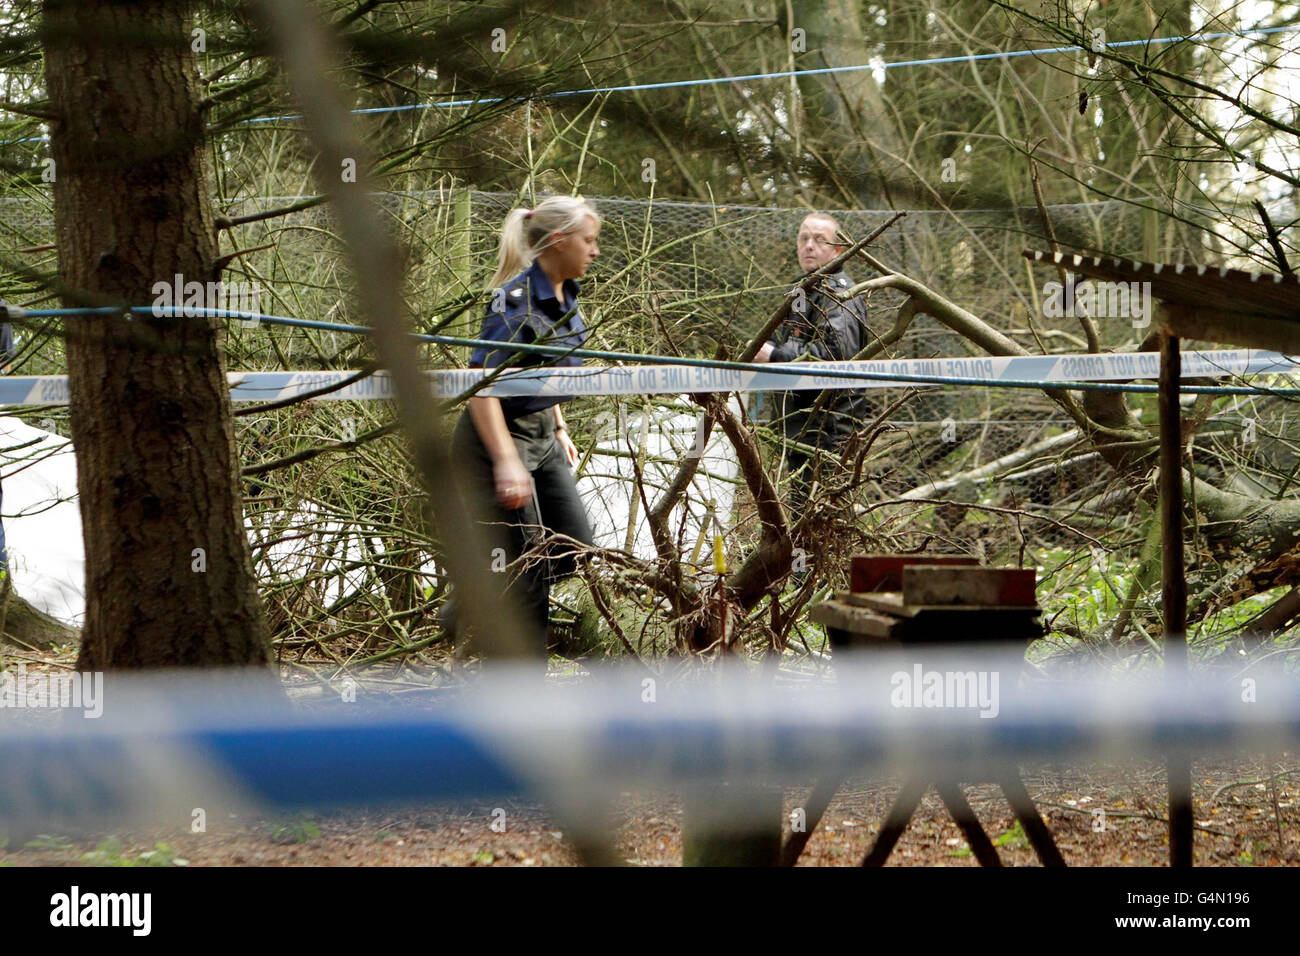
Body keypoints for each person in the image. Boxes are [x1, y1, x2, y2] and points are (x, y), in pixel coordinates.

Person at [442, 196, 601, 660]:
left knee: (574, 546)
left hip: (541, 435)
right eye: (588, 241)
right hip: (497, 439)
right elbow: (482, 386)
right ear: (557, 241)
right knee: (527, 570)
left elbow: (542, 370)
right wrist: (507, 462)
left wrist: (560, 426)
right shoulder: (511, 304)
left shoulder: (566, 293)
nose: (595, 251)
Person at [753, 213, 878, 518]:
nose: (809, 246)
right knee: (802, 523)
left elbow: (834, 358)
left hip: (826, 434)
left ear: (838, 250)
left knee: (820, 522)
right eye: (803, 238)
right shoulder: (807, 289)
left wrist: (774, 356)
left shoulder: (838, 294)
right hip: (802, 431)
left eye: (819, 240)